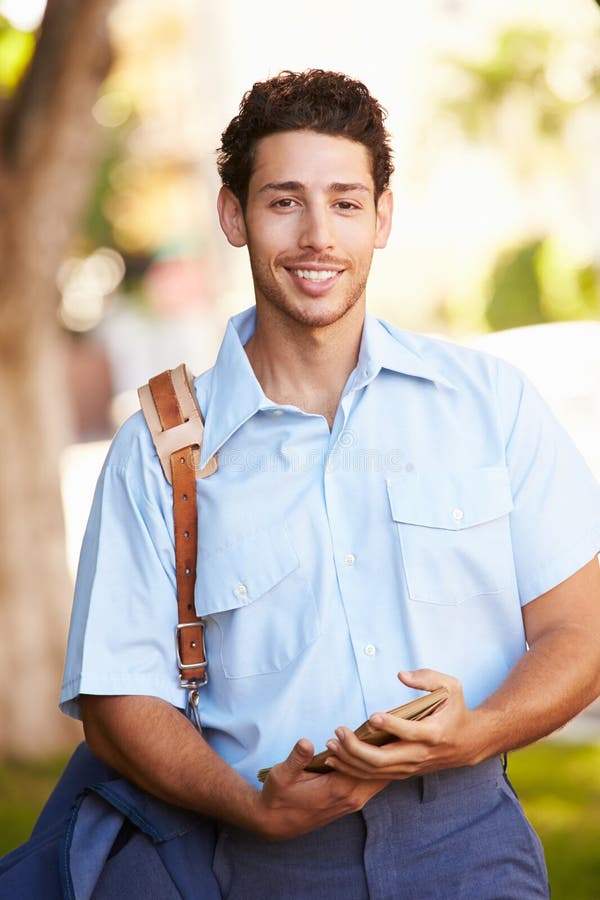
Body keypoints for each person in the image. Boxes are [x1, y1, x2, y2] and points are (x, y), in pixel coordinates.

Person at [60, 70, 600, 899]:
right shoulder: (158, 451)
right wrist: (248, 806)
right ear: (233, 215)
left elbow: (582, 627)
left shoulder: (487, 404)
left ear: (382, 217)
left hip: (468, 844)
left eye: (346, 202)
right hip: (256, 859)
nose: (318, 234)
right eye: (285, 201)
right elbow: (117, 701)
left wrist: (475, 733)